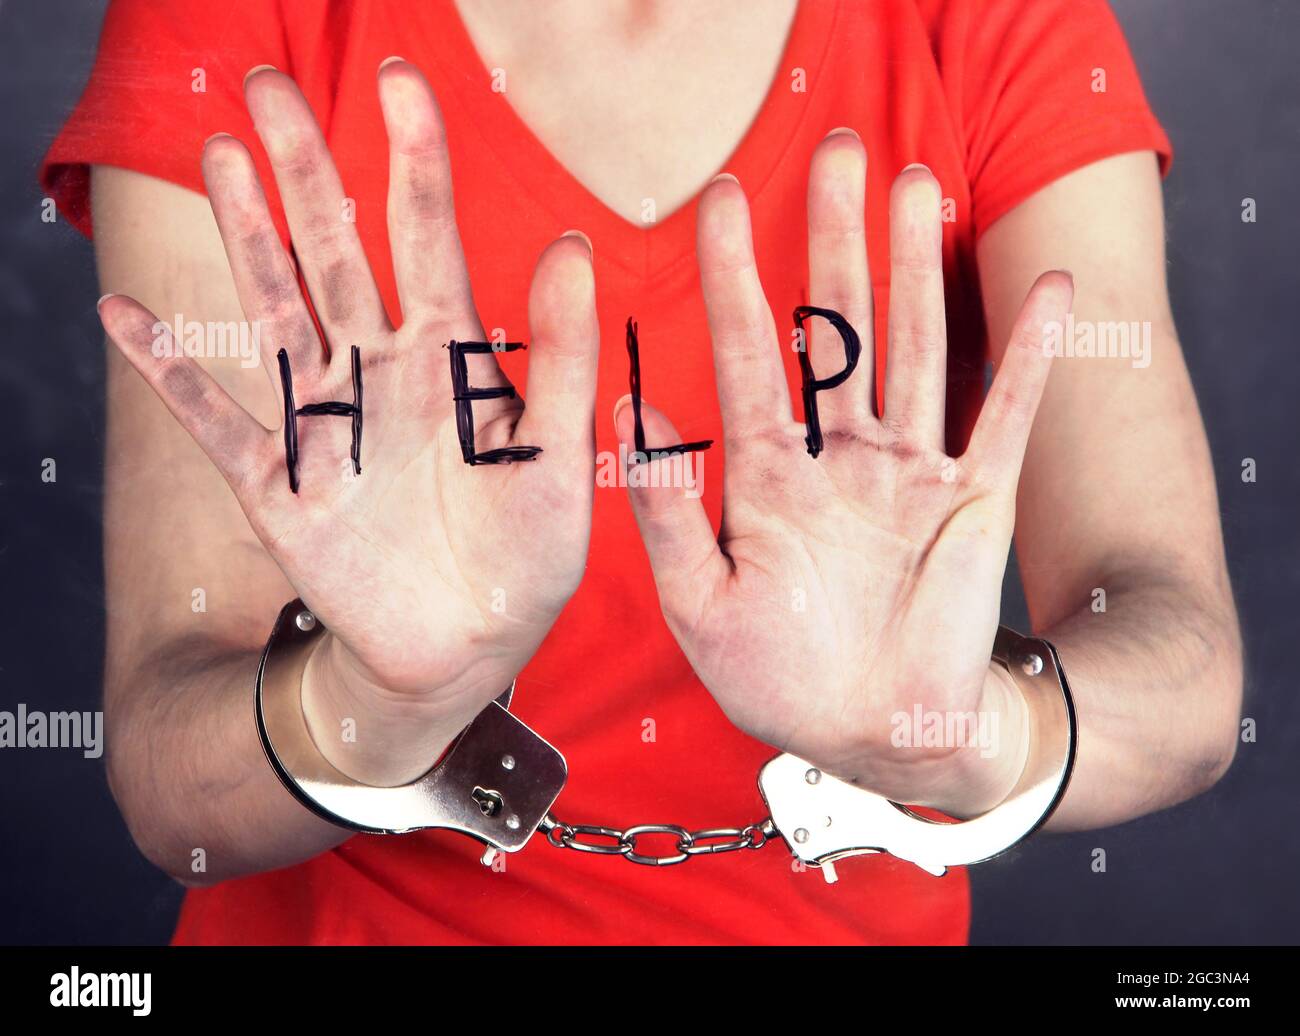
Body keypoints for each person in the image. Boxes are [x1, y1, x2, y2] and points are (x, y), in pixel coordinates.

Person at [41, 0, 1241, 945]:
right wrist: (375, 704)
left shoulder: (993, 25)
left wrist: (970, 733)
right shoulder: (230, 20)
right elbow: (168, 766)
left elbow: (1183, 669)